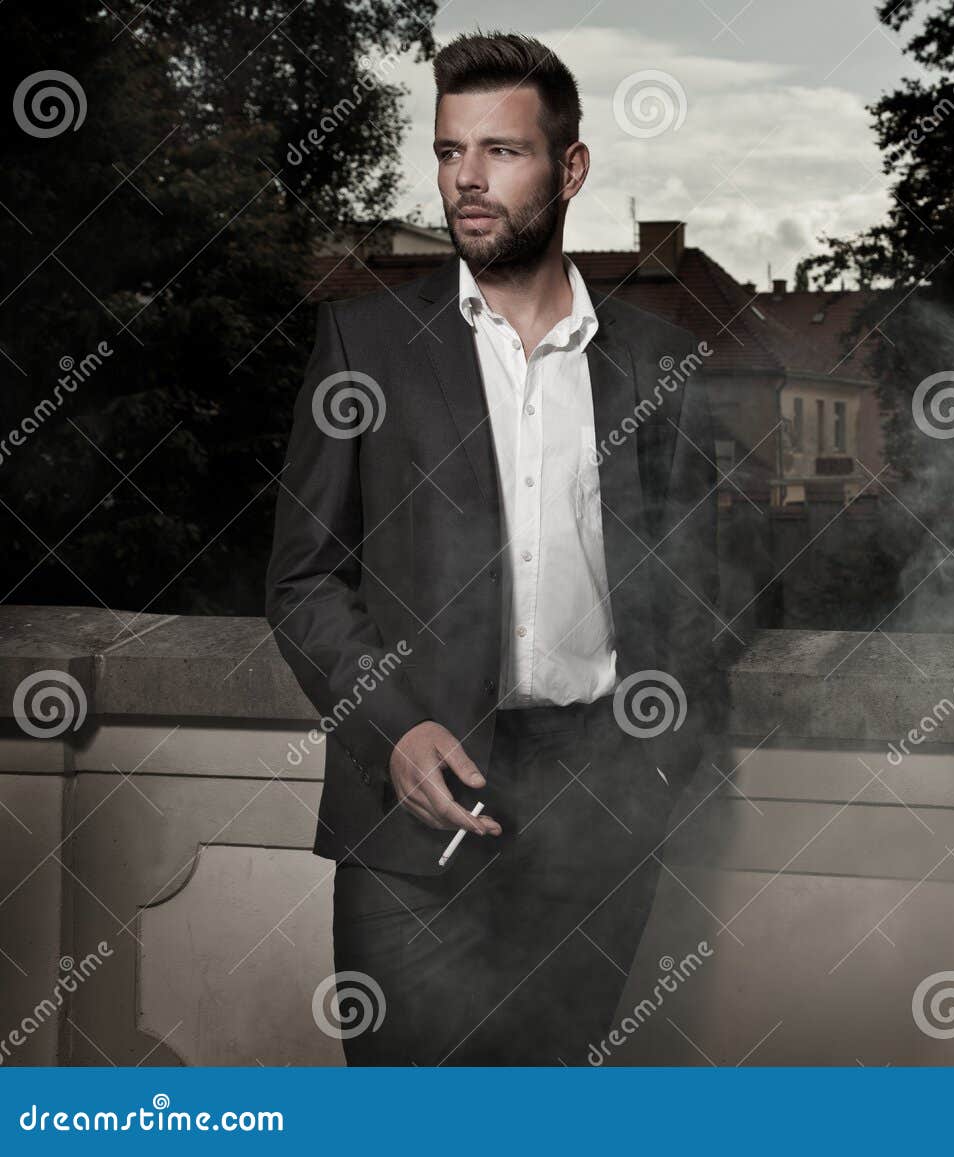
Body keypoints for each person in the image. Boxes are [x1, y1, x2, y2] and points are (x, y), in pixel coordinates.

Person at [265, 30, 722, 1064]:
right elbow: (302, 579)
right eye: (447, 151)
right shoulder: (365, 345)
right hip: (410, 809)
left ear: (569, 170)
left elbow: (703, 587)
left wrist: (656, 768)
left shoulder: (653, 363)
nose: (465, 180)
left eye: (501, 152)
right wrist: (391, 725)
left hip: (597, 809)